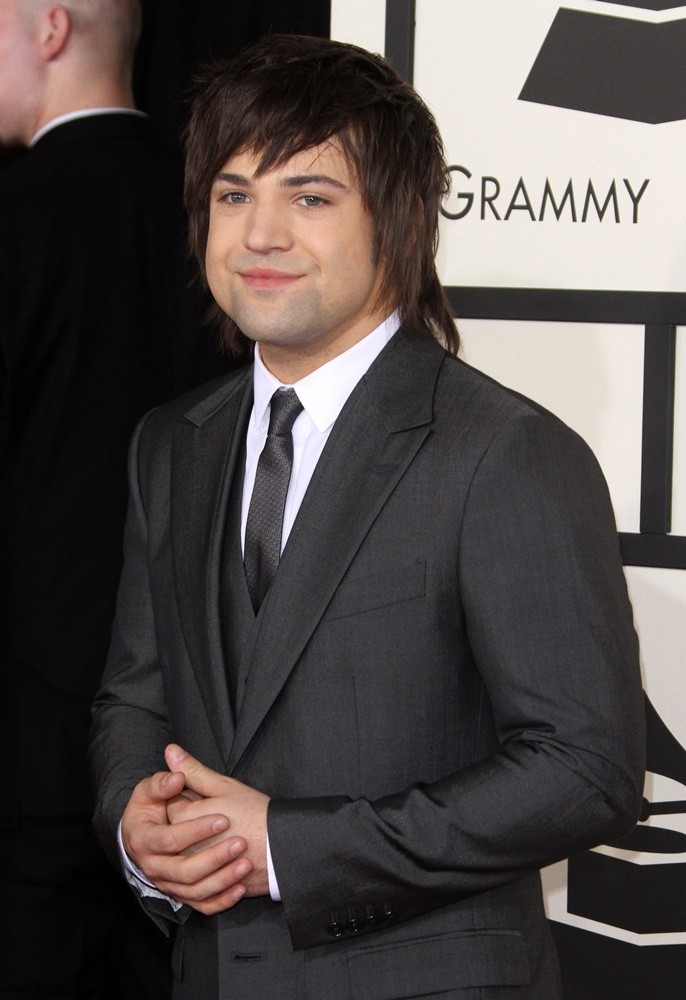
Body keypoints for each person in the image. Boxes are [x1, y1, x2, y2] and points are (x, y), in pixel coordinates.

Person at [89, 34, 646, 1000]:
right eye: (233, 195)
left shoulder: (503, 450)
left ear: (398, 221)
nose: (260, 234)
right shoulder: (171, 443)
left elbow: (585, 765)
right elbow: (133, 700)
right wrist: (137, 825)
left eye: (309, 197)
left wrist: (294, 849)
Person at [0, 1, 226, 996]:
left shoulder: (18, 216)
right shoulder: (221, 225)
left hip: (27, 757)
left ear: (50, 27)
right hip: (200, 745)